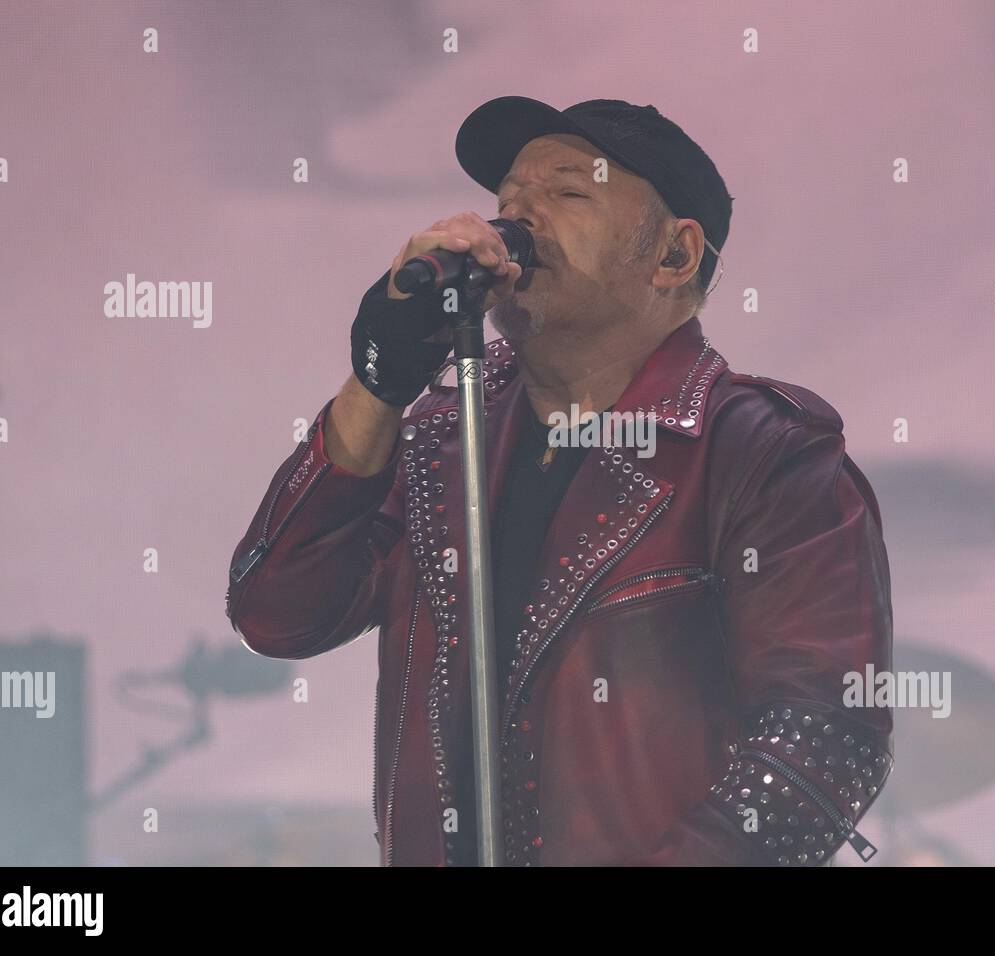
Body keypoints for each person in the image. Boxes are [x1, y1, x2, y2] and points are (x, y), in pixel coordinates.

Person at [226, 96, 894, 866]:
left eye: (568, 192)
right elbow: (277, 614)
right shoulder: (444, 438)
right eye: (507, 200)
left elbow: (823, 743)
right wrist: (383, 375)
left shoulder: (761, 452)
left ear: (674, 256)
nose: (517, 220)